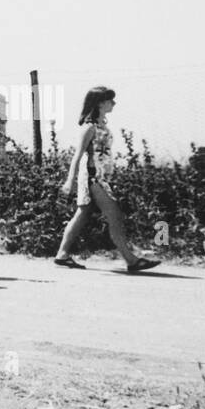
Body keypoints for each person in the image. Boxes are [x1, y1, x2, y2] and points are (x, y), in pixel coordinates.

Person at [54, 86, 160, 272]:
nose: (114, 103)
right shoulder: (89, 128)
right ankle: (131, 260)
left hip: (101, 178)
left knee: (82, 214)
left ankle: (62, 255)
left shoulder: (101, 126)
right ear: (100, 103)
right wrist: (69, 180)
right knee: (114, 214)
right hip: (93, 178)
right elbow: (77, 156)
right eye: (110, 100)